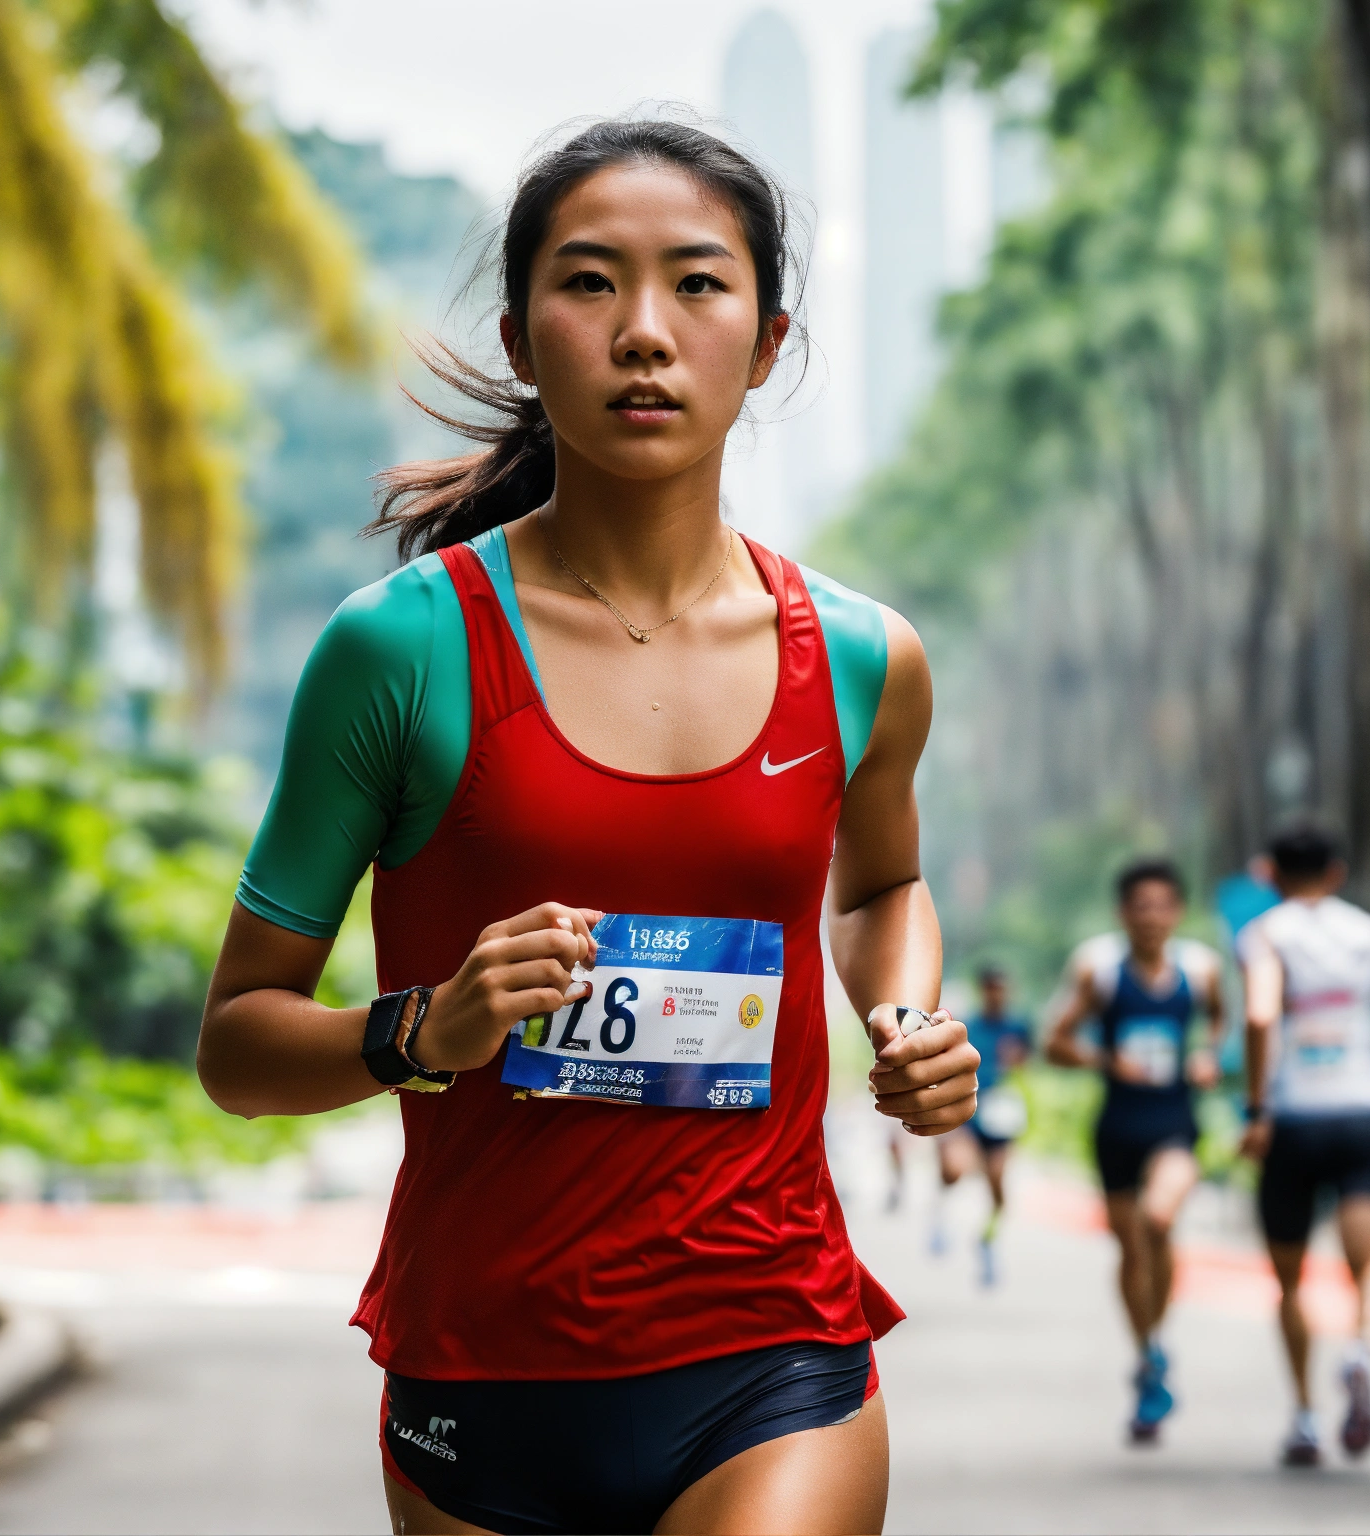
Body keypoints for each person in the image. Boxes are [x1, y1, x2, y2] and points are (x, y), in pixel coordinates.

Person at [195, 118, 980, 1536]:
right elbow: (240, 1042)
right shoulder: (403, 651)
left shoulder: (864, 658)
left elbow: (885, 884)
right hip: (481, 1373)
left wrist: (907, 1018)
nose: (643, 334)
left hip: (770, 1347)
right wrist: (420, 1031)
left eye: (697, 284)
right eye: (589, 284)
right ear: (518, 333)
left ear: (768, 336)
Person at [1237, 824, 1370, 1469]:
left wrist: (1255, 1107)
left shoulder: (1266, 934)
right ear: (1336, 873)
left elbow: (1260, 1015)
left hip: (1295, 1118)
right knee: (1365, 1263)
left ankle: (1306, 1418)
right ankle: (1362, 1351)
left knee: (1291, 1284)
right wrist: (1363, 1044)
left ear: (1271, 875)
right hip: (1363, 1111)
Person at [1044, 858, 1226, 1445]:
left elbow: (1221, 1024)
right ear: (1124, 913)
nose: (1151, 917)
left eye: (1161, 905)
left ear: (1178, 912)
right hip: (1118, 1127)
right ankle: (1149, 1354)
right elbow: (1055, 1041)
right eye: (1139, 906)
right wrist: (1103, 1059)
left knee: (1159, 1218)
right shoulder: (1099, 972)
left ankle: (1155, 1341)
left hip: (1174, 1122)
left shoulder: (1199, 971)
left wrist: (1209, 1056)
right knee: (1130, 1248)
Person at [887, 963, 1029, 1280]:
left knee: (997, 1186)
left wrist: (1015, 1063)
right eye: (992, 988)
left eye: (1002, 989)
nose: (997, 995)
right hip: (967, 1112)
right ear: (984, 990)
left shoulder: (1019, 1026)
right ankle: (938, 1216)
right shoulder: (970, 1026)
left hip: (1002, 1115)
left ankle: (988, 1240)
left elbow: (1025, 1062)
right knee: (954, 1170)